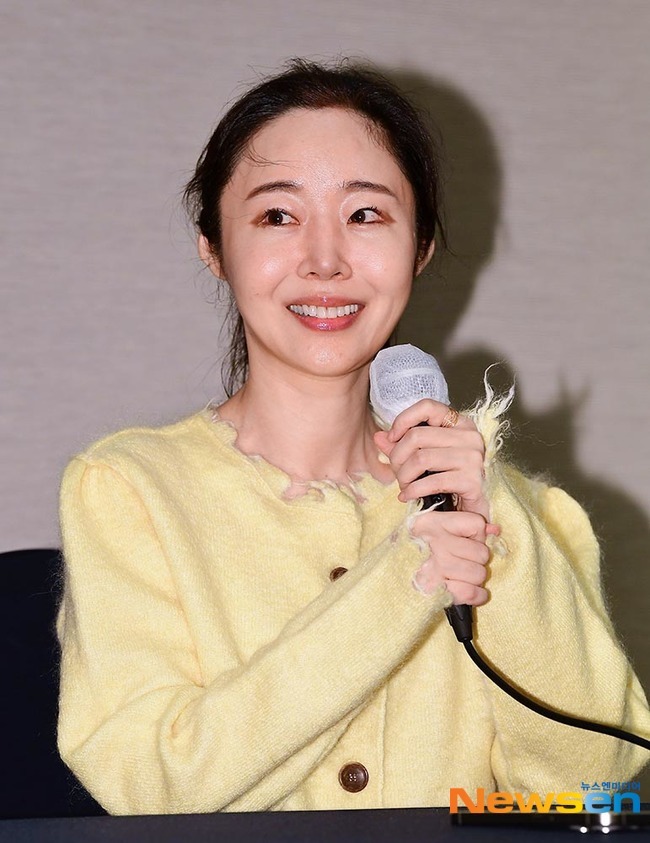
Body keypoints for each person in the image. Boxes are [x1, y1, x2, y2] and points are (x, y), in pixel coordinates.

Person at [56, 59, 649, 815]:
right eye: (278, 217)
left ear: (420, 246)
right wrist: (407, 580)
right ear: (214, 247)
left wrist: (497, 525)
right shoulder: (131, 490)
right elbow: (147, 785)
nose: (326, 261)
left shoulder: (526, 516)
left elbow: (592, 790)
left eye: (365, 214)